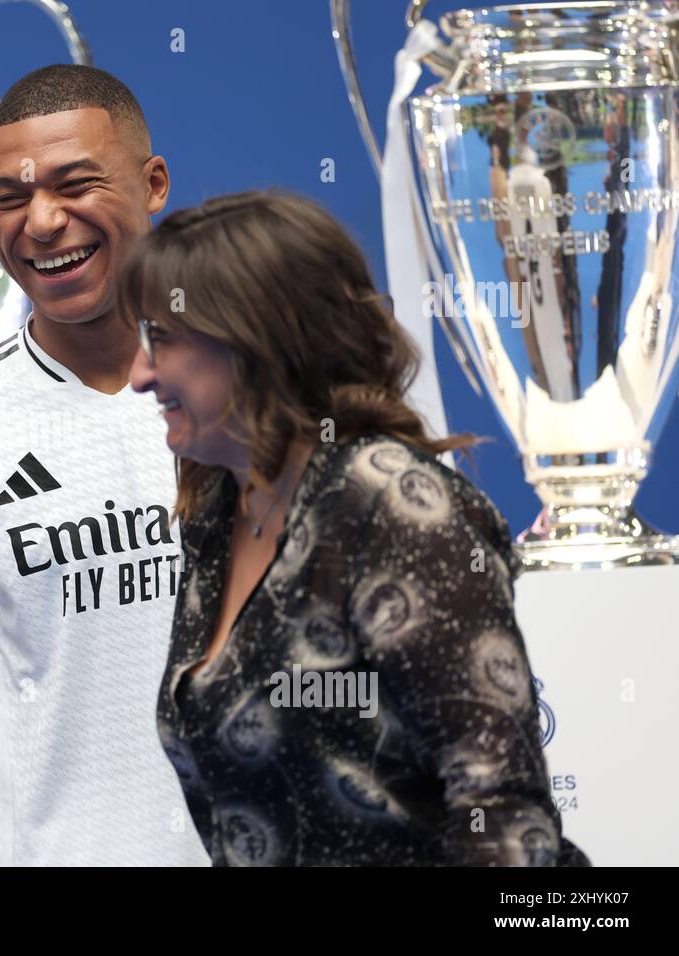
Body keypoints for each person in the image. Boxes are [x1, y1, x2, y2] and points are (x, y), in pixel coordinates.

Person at [122, 189, 589, 866]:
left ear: (254, 341)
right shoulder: (218, 512)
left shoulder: (391, 503)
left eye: (159, 339)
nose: (139, 374)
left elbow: (506, 823)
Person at [0, 64, 209, 866]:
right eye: (10, 197)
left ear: (153, 184)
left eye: (76, 184)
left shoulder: (258, 385)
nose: (41, 221)